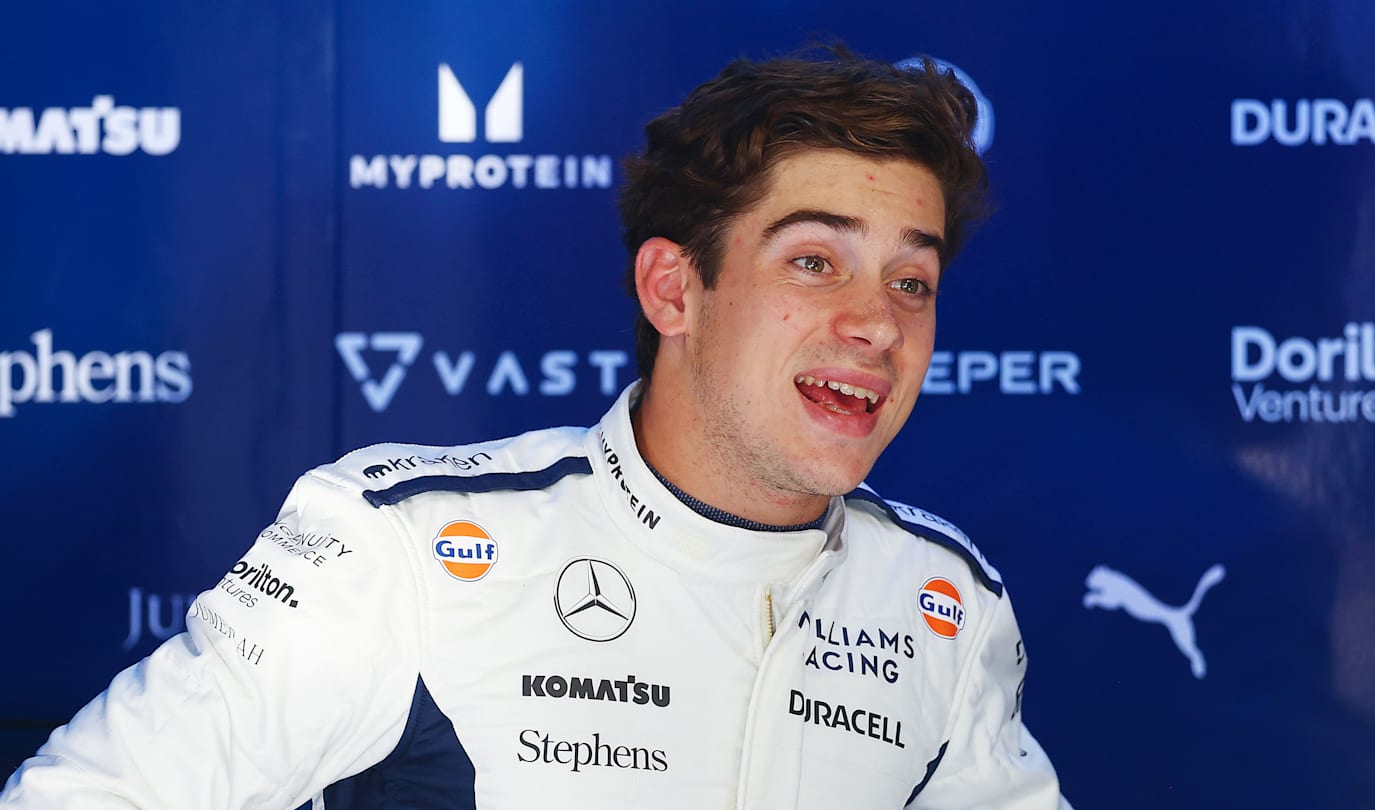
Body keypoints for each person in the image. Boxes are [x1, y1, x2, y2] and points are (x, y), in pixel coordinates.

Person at [1, 47, 1070, 809]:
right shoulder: (406, 548)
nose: (876, 322)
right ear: (674, 289)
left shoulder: (942, 602)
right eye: (812, 261)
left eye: (912, 281)